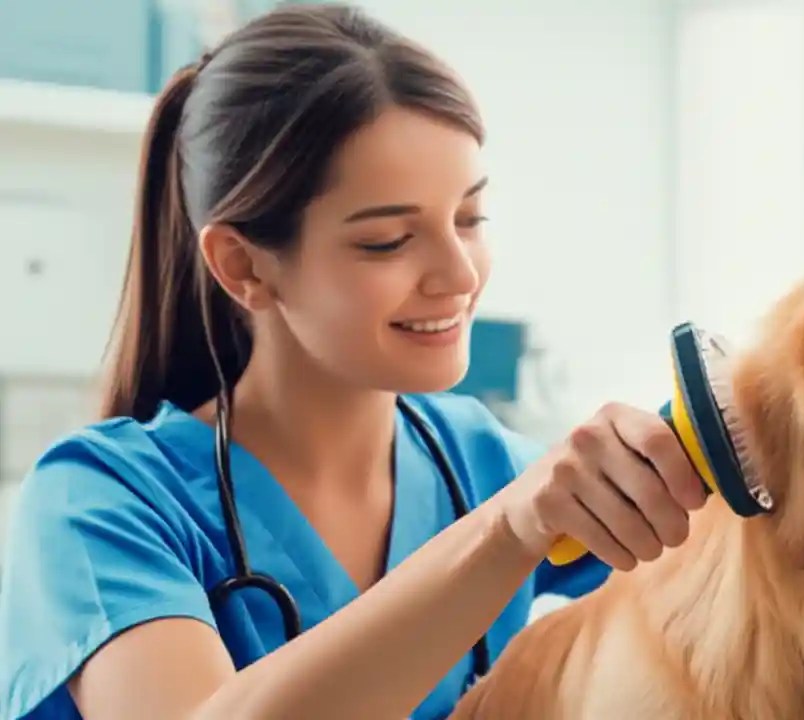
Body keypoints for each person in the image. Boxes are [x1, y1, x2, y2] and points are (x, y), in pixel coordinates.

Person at [0, 4, 706, 719]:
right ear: (243, 265)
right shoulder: (100, 502)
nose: (458, 275)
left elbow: (721, 584)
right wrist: (502, 534)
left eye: (469, 220)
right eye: (388, 241)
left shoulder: (482, 461)